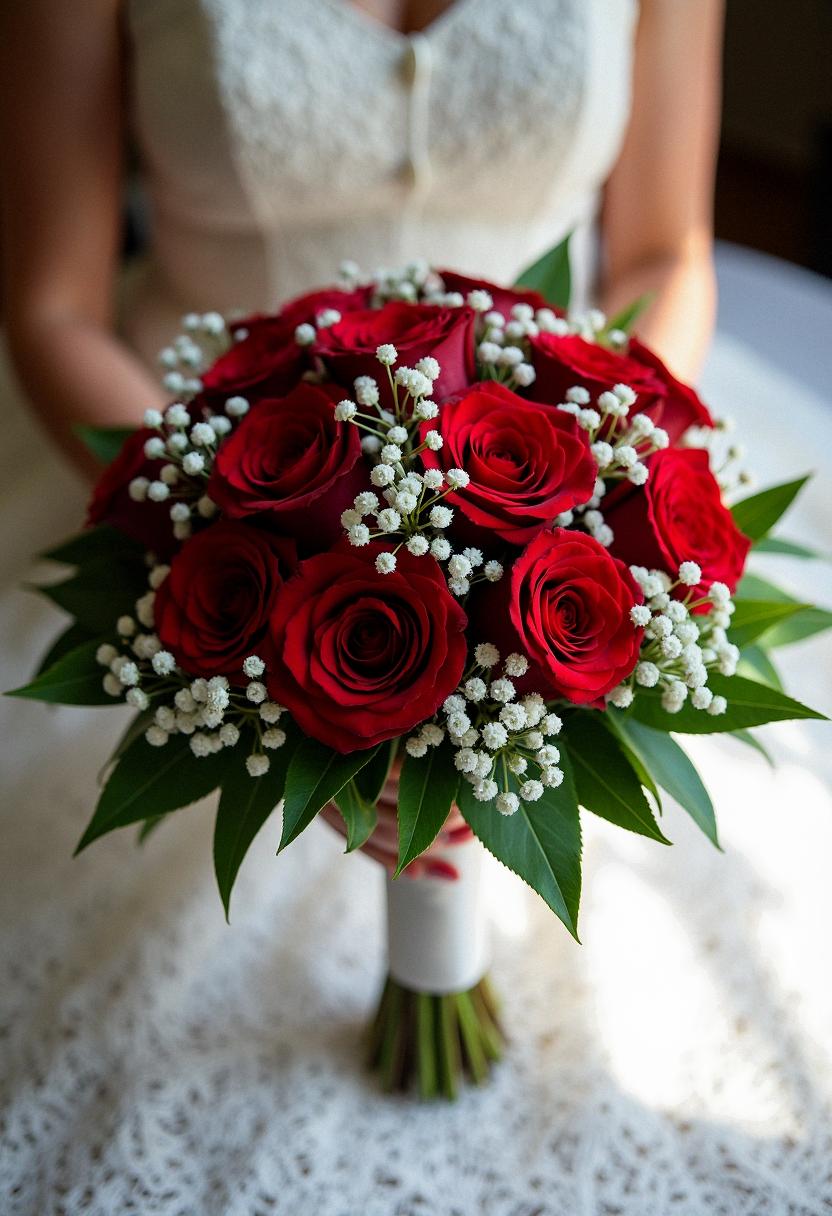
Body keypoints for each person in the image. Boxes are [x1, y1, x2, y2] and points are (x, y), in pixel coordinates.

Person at [0, 0, 723, 875]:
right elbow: (54, 309)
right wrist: (233, 576)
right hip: (175, 447)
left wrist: (611, 485)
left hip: (559, 454)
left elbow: (663, 255)